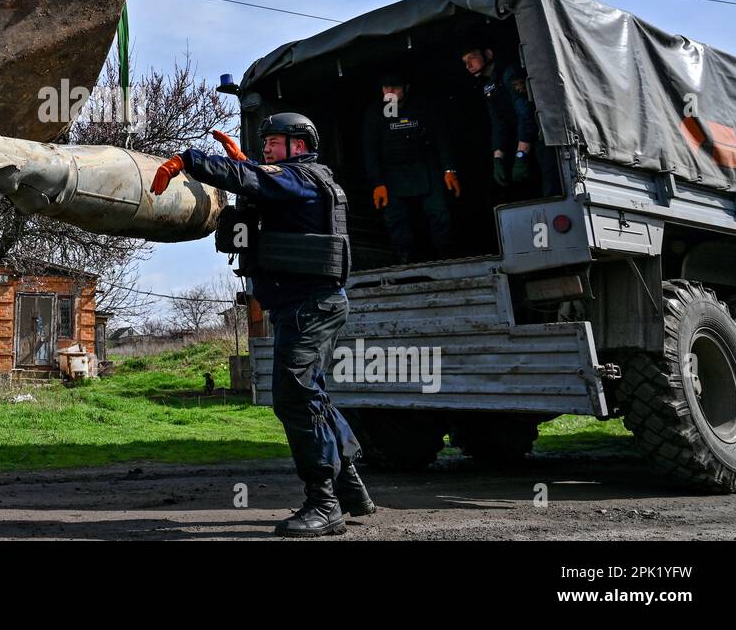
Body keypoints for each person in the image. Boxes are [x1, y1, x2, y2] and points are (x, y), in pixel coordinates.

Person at [151, 114, 374, 537]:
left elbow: (256, 180)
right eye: (265, 142)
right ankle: (349, 487)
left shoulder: (302, 178)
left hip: (309, 307)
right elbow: (257, 183)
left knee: (294, 398)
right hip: (307, 305)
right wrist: (248, 167)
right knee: (313, 394)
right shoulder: (300, 180)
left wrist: (188, 160)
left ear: (298, 144)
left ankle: (323, 505)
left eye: (274, 141)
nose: (267, 148)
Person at [362, 73, 460, 263]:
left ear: (406, 87)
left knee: (439, 214)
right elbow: (370, 151)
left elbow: (441, 138)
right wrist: (377, 183)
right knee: (395, 220)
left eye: (395, 87)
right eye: (385, 88)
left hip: (425, 167)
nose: (390, 92)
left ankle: (447, 258)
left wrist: (450, 169)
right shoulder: (375, 113)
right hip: (392, 173)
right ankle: (405, 261)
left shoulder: (422, 106)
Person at [459, 43, 560, 197]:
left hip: (542, 135)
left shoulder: (510, 73)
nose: (468, 65)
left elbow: (527, 115)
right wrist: (498, 158)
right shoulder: (487, 86)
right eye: (465, 62)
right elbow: (497, 123)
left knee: (550, 182)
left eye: (472, 58)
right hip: (522, 139)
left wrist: (521, 155)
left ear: (488, 54)